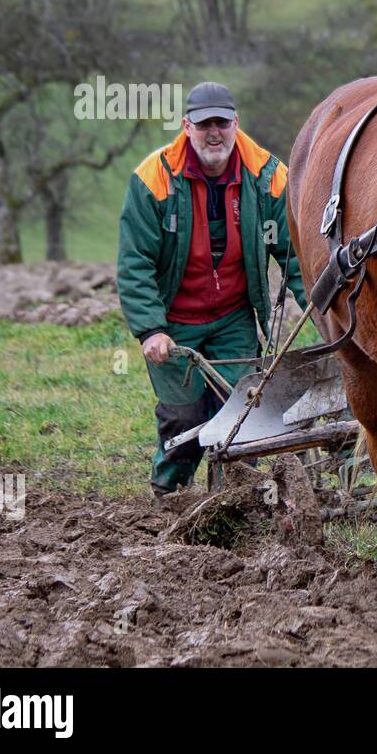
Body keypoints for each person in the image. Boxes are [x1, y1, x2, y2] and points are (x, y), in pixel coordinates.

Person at [117, 81, 306, 496]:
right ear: (187, 127)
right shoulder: (153, 180)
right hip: (175, 321)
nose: (214, 132)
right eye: (204, 125)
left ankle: (233, 500)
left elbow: (295, 253)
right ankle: (169, 496)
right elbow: (135, 263)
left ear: (236, 124)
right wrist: (150, 329)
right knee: (183, 418)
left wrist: (323, 311)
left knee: (242, 413)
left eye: (222, 122)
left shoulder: (268, 176)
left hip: (233, 318)